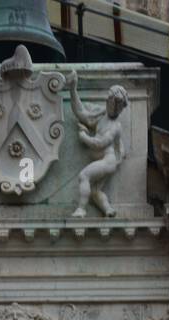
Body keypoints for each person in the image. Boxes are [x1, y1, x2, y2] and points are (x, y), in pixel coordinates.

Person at [65, 75, 129, 218]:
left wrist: (84, 137)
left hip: (109, 160)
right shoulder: (102, 113)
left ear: (118, 107)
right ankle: (108, 210)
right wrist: (72, 89)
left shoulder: (115, 126)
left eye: (113, 102)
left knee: (84, 176)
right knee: (94, 191)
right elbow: (82, 114)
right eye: (110, 100)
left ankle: (81, 210)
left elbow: (100, 144)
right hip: (106, 159)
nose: (108, 102)